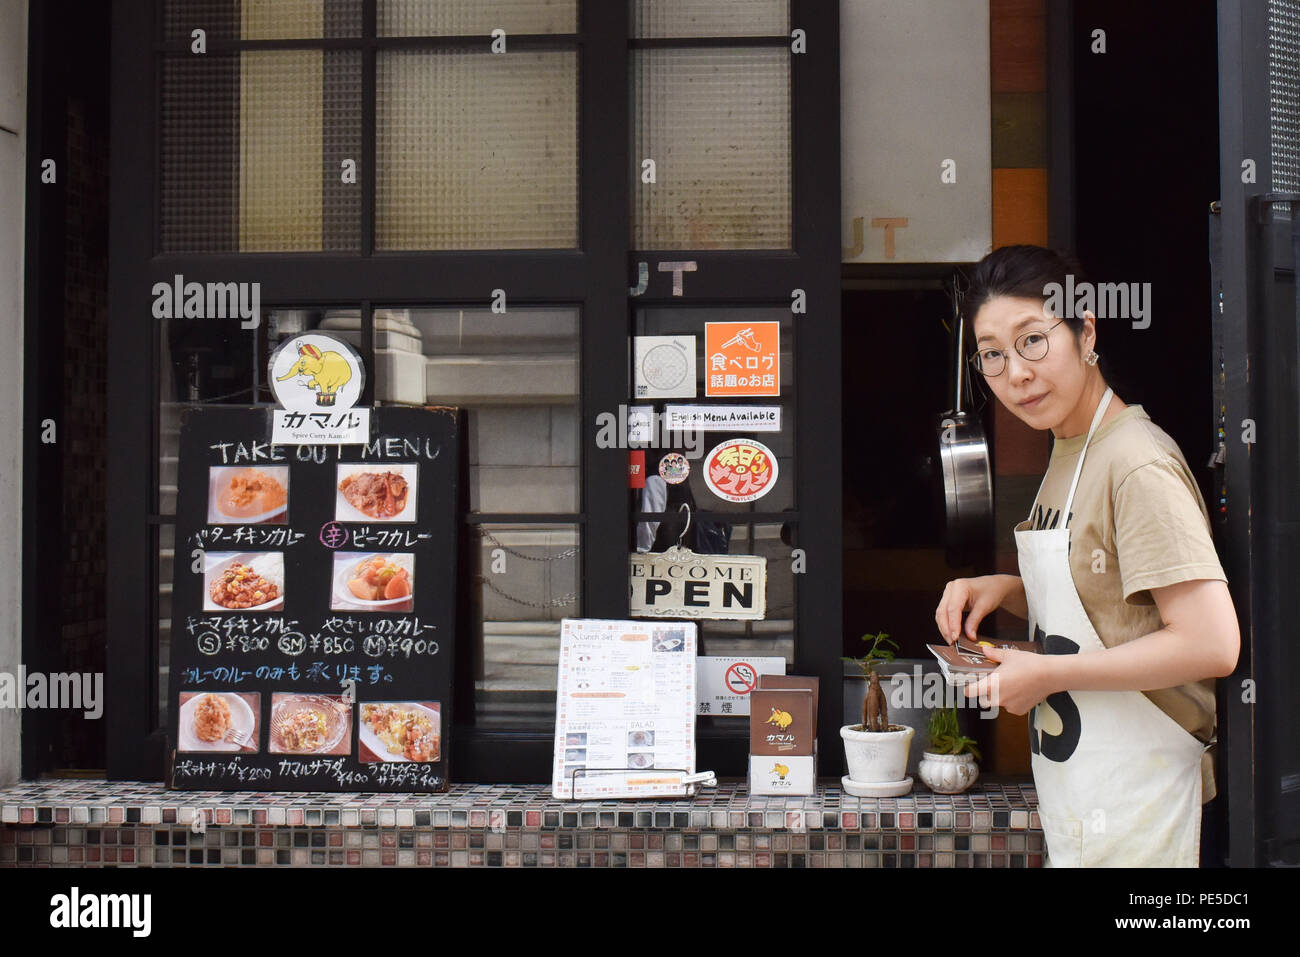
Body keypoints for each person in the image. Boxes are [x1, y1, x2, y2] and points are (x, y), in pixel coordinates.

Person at [934, 245, 1240, 868]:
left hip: (1150, 800)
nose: (1015, 372)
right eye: (992, 354)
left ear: (1086, 330)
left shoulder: (1136, 461)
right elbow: (1114, 589)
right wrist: (1008, 587)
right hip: (1087, 795)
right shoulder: (1070, 446)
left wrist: (1046, 674)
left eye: (1033, 341)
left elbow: (1212, 643)